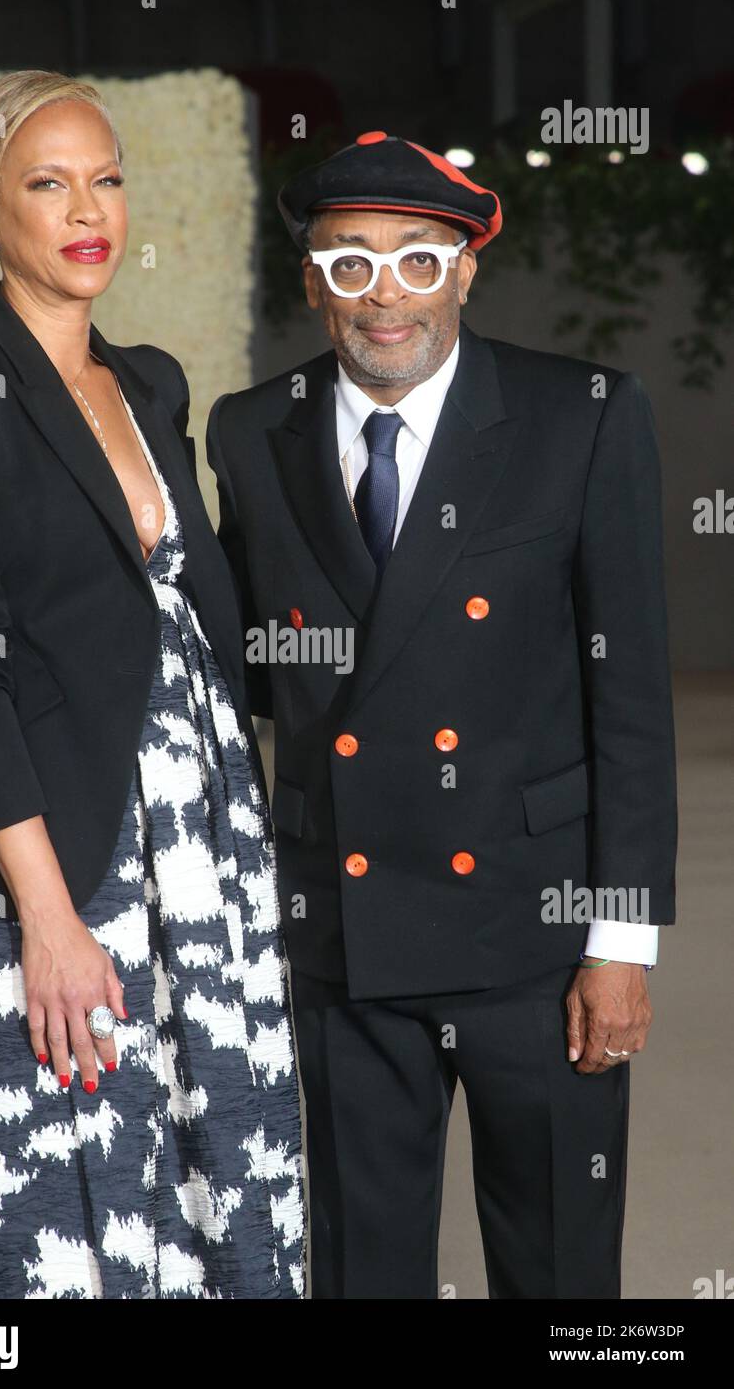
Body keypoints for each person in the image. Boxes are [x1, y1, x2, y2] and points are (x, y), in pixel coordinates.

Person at [206, 131, 677, 1298]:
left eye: (418, 261)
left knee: (563, 1272)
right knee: (364, 1274)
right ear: (313, 280)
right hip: (344, 936)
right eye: (351, 264)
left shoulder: (583, 415)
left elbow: (629, 695)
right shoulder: (250, 431)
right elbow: (242, 671)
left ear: (466, 270)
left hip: (537, 938)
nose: (386, 297)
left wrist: (620, 940)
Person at [0, 69, 305, 1299]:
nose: (85, 208)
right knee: (43, 1213)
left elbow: (204, 628)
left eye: (105, 178)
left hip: (205, 856)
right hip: (44, 864)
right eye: (46, 183)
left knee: (218, 1177)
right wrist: (49, 920)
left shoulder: (152, 383)